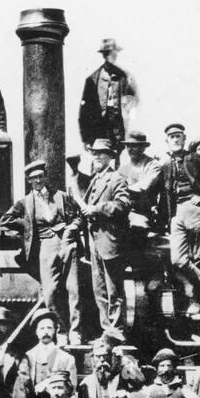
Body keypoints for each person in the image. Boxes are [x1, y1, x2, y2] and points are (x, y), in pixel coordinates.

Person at [0, 160, 84, 344]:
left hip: (68, 244)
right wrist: (27, 225)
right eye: (34, 178)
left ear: (45, 177)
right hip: (45, 247)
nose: (38, 180)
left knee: (73, 289)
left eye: (40, 176)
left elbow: (78, 216)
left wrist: (71, 229)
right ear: (29, 180)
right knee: (50, 292)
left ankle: (75, 332)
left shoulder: (60, 196)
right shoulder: (26, 202)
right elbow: (5, 219)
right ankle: (61, 330)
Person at [155, 126, 200, 311]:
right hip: (176, 214)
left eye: (178, 136)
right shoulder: (165, 166)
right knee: (178, 259)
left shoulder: (196, 159)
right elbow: (161, 194)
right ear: (167, 141)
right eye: (171, 137)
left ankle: (199, 300)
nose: (174, 140)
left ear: (183, 138)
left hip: (195, 210)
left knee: (198, 258)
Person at [80, 139, 132, 337]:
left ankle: (117, 330)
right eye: (95, 153)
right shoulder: (95, 179)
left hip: (110, 242)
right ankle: (107, 330)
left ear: (111, 157)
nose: (97, 157)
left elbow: (122, 205)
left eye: (102, 153)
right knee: (99, 290)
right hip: (94, 242)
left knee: (114, 291)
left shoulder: (116, 178)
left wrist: (97, 209)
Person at [11, 311, 75, 398]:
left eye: (49, 328)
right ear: (36, 331)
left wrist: (48, 383)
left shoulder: (66, 358)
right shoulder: (28, 357)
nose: (45, 332)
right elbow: (22, 389)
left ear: (55, 330)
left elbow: (72, 389)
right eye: (41, 328)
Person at [79, 38, 137, 151]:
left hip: (120, 130)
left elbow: (132, 106)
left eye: (113, 53)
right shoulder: (92, 80)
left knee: (120, 163)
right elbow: (84, 112)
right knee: (101, 160)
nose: (111, 56)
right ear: (103, 55)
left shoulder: (125, 77)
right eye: (107, 53)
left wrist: (131, 131)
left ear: (116, 53)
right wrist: (86, 138)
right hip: (100, 132)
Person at [117, 130, 163, 232]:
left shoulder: (153, 165)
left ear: (143, 148)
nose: (130, 149)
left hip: (142, 213)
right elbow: (115, 186)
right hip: (123, 211)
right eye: (127, 146)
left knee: (137, 229)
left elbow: (143, 186)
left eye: (134, 146)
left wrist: (123, 190)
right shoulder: (123, 168)